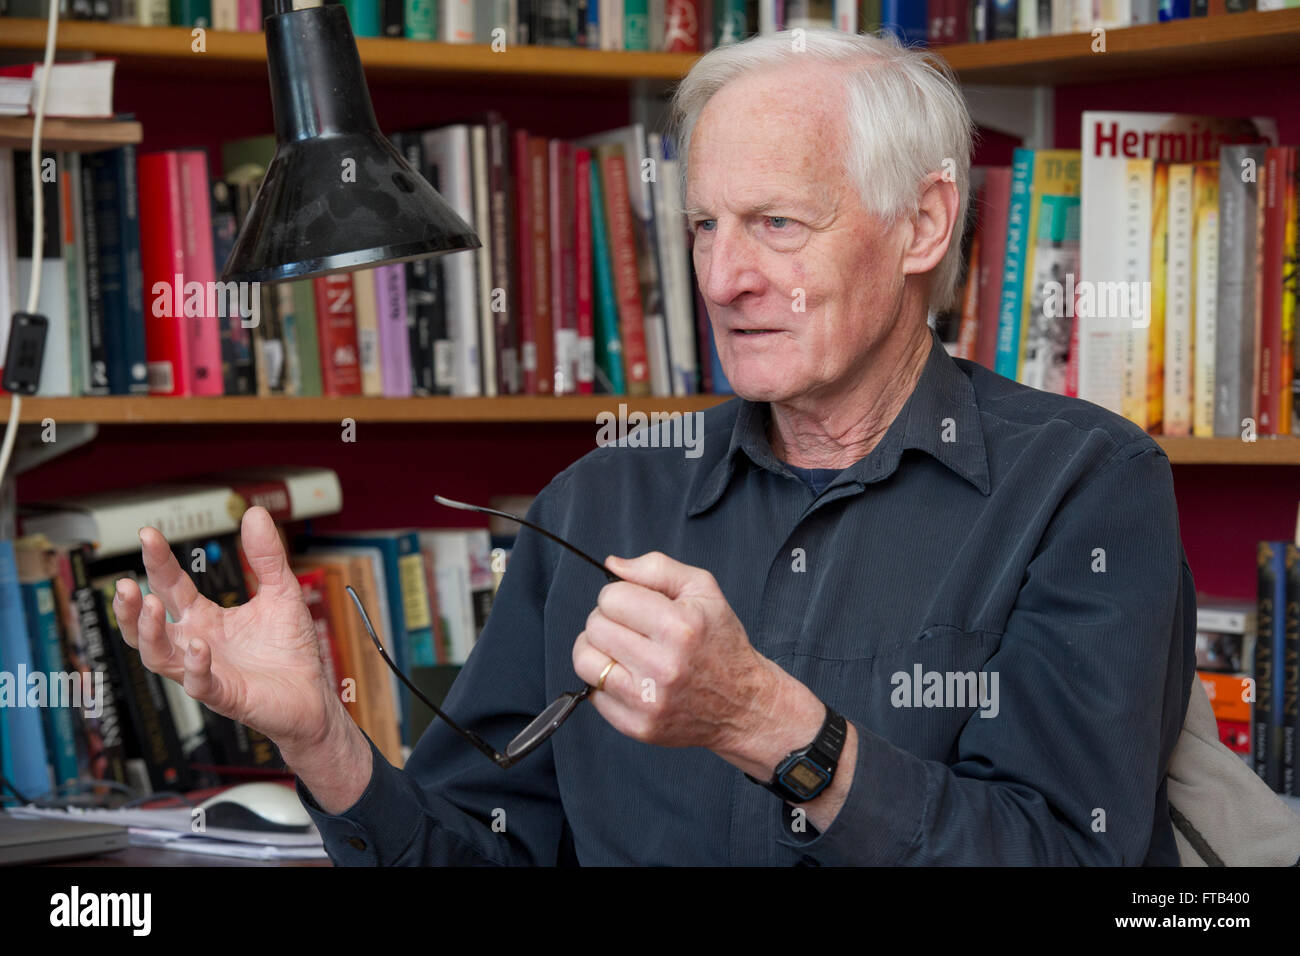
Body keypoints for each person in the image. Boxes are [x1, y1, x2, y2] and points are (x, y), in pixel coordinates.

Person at [112, 28, 1195, 865]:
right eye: (702, 226)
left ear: (921, 225)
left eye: (777, 223)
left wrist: (769, 723)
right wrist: (321, 743)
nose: (723, 279)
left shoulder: (1084, 488)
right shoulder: (595, 501)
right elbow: (487, 851)